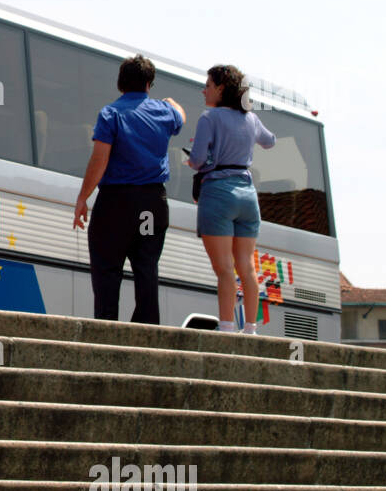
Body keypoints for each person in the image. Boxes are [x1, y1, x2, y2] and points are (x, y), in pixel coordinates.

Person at [73, 54, 185, 324]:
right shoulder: (164, 112)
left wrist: (82, 198)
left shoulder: (111, 114)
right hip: (151, 205)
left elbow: (99, 160)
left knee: (107, 269)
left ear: (120, 84)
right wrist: (169, 101)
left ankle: (107, 329)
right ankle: (146, 334)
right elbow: (181, 114)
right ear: (149, 84)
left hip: (115, 205)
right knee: (146, 268)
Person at [185, 64, 276, 334]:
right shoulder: (250, 119)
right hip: (248, 194)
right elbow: (270, 141)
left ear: (221, 89)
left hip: (219, 192)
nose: (204, 90)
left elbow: (199, 159)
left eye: (208, 85)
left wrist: (191, 161)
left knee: (224, 268)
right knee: (246, 266)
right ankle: (250, 328)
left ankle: (226, 327)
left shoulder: (209, 118)